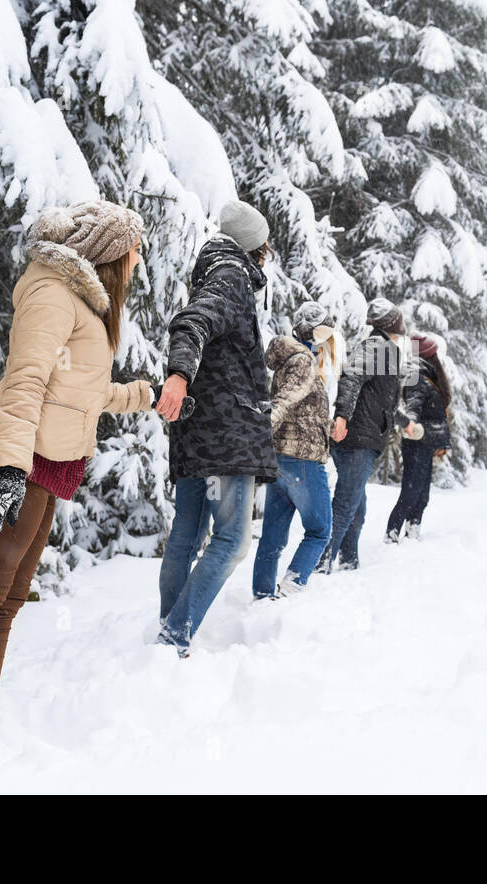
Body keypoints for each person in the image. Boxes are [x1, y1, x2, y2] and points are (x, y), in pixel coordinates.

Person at [0, 201, 157, 733]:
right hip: (22, 462)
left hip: (50, 465)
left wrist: (145, 396)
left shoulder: (83, 302)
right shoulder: (52, 293)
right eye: (134, 247)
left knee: (10, 595)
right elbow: (24, 385)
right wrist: (8, 470)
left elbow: (80, 391)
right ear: (113, 252)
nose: (139, 257)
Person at [152, 200, 279, 656]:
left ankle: (168, 632)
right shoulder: (233, 275)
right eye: (264, 244)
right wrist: (178, 374)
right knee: (231, 540)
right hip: (227, 437)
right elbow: (192, 323)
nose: (267, 251)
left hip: (197, 434)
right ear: (253, 247)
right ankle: (174, 634)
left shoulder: (213, 271)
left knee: (187, 534)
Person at [316, 297, 415, 573]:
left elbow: (383, 403)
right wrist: (343, 417)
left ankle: (348, 561)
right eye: (398, 318)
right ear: (391, 323)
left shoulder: (384, 349)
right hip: (356, 440)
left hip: (362, 438)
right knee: (346, 505)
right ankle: (319, 563)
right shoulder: (378, 347)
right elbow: (352, 376)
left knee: (356, 509)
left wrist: (404, 422)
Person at [251, 302, 336, 598]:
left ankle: (262, 594)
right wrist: (263, 429)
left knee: (273, 533)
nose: (326, 338)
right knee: (320, 530)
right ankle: (292, 587)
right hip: (302, 458)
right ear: (309, 330)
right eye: (322, 330)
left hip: (281, 459)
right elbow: (286, 400)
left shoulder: (291, 360)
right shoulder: (303, 360)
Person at [386, 335, 452, 542]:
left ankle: (412, 533)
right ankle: (392, 535)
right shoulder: (417, 379)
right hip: (417, 443)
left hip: (425, 443)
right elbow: (413, 406)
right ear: (430, 357)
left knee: (421, 494)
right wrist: (412, 423)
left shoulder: (426, 377)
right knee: (411, 493)